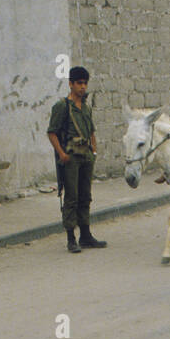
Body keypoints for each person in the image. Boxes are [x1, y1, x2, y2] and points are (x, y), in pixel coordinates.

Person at [47, 66, 107, 253]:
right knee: (71, 197)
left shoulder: (86, 107)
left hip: (86, 156)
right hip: (71, 158)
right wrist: (61, 154)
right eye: (79, 83)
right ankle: (71, 238)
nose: (82, 87)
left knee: (85, 196)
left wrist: (94, 151)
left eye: (85, 83)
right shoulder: (63, 107)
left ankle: (86, 235)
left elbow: (91, 131)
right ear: (71, 84)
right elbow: (52, 133)